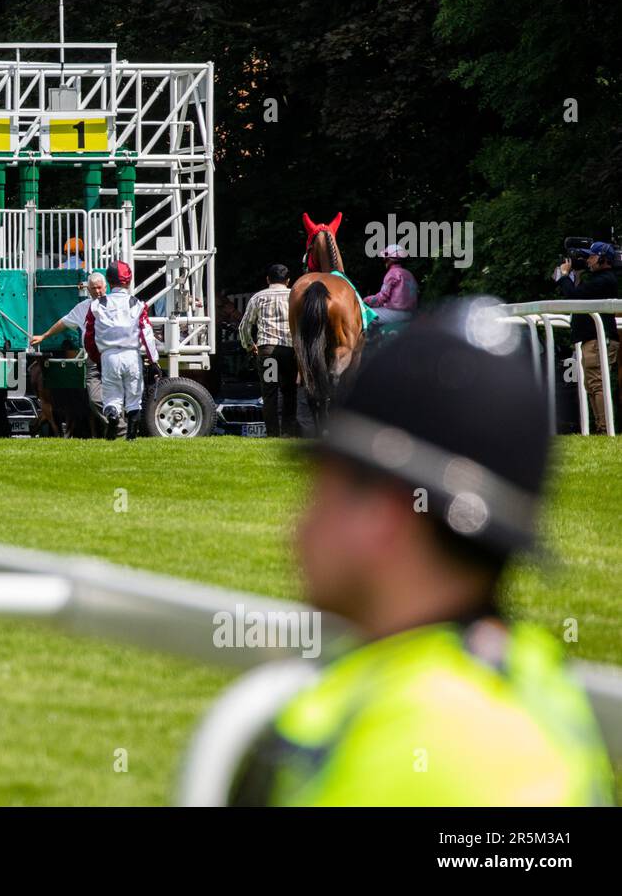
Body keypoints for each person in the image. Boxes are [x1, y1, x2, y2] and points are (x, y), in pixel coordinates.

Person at [227, 300, 613, 805]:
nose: (295, 529)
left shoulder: (428, 739)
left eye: (319, 493)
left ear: (384, 516)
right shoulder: (517, 679)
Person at [31, 272, 122, 436]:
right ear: (88, 289)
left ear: (106, 287)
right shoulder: (83, 307)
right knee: (94, 399)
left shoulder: (117, 304)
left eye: (100, 288)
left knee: (116, 394)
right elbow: (63, 322)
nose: (97, 291)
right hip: (93, 359)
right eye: (93, 289)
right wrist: (44, 336)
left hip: (114, 356)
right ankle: (119, 427)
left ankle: (119, 428)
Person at [83, 261, 160, 440]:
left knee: (111, 397)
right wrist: (154, 360)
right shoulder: (138, 304)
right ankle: (131, 436)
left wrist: (97, 358)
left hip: (108, 355)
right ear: (129, 280)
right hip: (132, 355)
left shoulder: (96, 305)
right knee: (134, 398)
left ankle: (112, 415)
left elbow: (89, 336)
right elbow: (146, 334)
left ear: (109, 281)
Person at [554, 241, 619, 434]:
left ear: (602, 259)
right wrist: (578, 275)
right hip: (594, 339)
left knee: (597, 384)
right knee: (592, 384)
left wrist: (565, 276)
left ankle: (605, 428)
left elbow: (573, 298)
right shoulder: (600, 279)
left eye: (591, 256)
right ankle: (602, 427)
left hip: (598, 340)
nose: (588, 260)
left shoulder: (604, 280)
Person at [238, 263, 298, 437]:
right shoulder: (294, 295)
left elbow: (244, 326)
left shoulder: (258, 297)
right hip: (289, 352)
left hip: (268, 352)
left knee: (269, 392)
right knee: (289, 392)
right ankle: (288, 432)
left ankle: (272, 433)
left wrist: (249, 345)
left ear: (267, 279)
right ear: (288, 280)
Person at [364, 243, 418, 324]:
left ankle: (367, 337)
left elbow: (382, 297)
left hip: (396, 313)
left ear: (389, 260)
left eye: (385, 259)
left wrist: (366, 300)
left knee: (363, 314)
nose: (384, 261)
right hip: (410, 313)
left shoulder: (392, 273)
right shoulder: (409, 274)